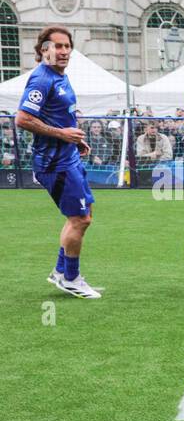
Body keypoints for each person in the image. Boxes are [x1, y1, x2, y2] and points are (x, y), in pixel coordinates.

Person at [16, 25, 101, 298]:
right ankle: (71, 278)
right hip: (54, 164)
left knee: (84, 214)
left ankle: (61, 271)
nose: (64, 51)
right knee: (79, 219)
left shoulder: (59, 76)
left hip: (68, 156)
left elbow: (59, 115)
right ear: (44, 50)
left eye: (67, 46)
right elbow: (23, 118)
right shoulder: (41, 79)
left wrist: (74, 139)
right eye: (58, 46)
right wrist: (62, 134)